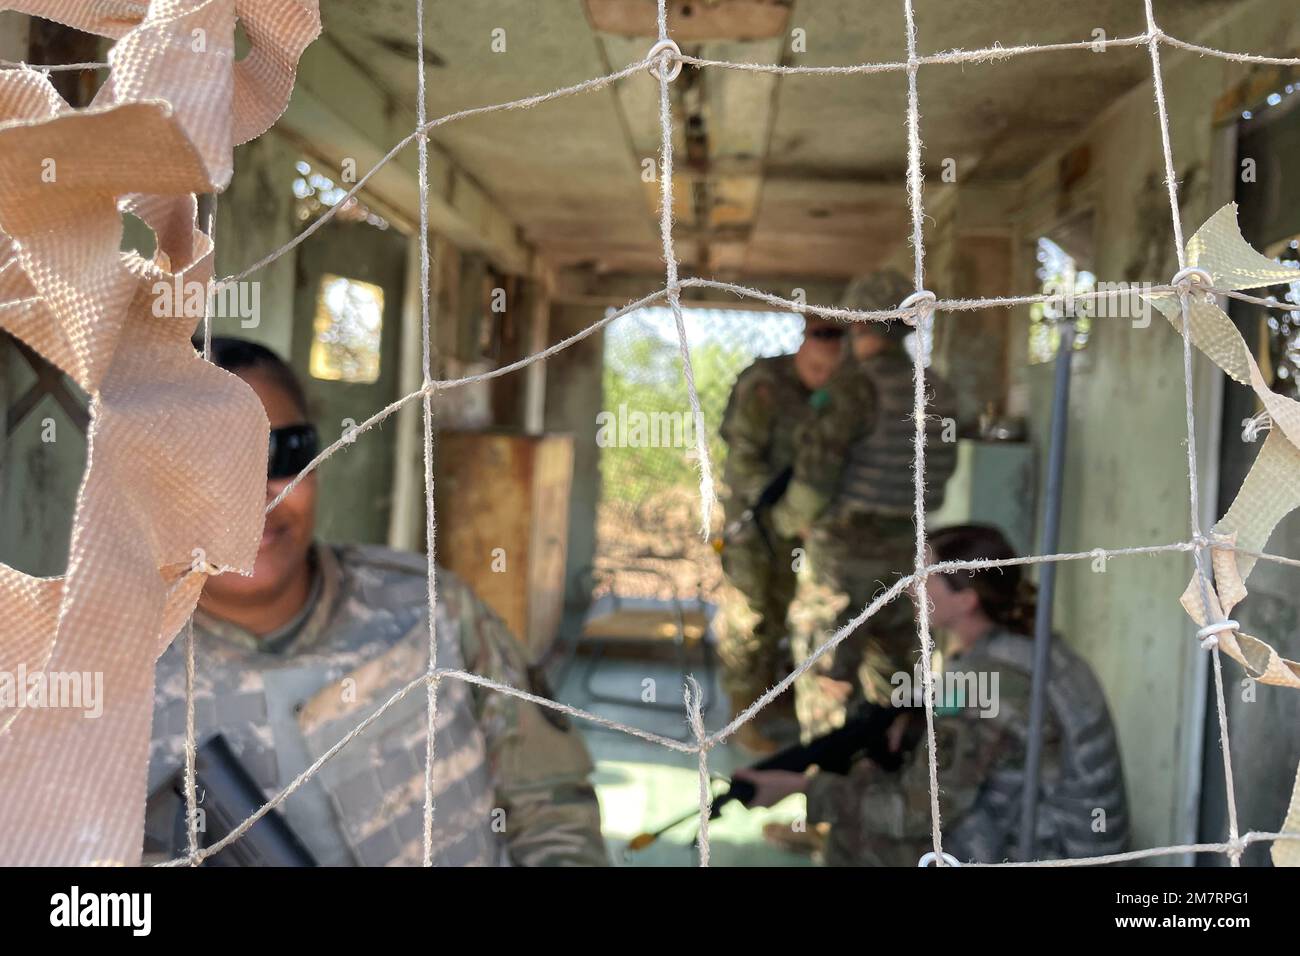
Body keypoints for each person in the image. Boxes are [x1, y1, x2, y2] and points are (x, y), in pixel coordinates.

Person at [144, 338, 607, 866]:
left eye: (281, 453)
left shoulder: (431, 610)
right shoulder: (110, 679)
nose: (253, 498)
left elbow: (551, 808)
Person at [734, 524, 1131, 866]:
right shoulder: (1033, 647)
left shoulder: (979, 683)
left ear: (966, 599)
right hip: (1079, 837)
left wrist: (801, 788)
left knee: (856, 838)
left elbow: (913, 813)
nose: (911, 585)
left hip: (1049, 851)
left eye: (927, 576)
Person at [771, 268, 959, 742]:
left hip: (841, 557)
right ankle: (888, 794)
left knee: (827, 681)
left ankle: (826, 806)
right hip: (909, 553)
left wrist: (787, 523)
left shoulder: (853, 387)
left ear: (859, 323)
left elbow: (815, 477)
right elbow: (942, 471)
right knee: (897, 688)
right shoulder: (937, 387)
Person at [715, 314, 847, 753]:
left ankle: (770, 700)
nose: (822, 379)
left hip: (802, 521)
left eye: (831, 372)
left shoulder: (845, 391)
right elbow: (742, 462)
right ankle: (740, 718)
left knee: (789, 610)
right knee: (751, 612)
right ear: (803, 346)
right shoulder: (764, 383)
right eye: (815, 370)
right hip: (753, 518)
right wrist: (784, 511)